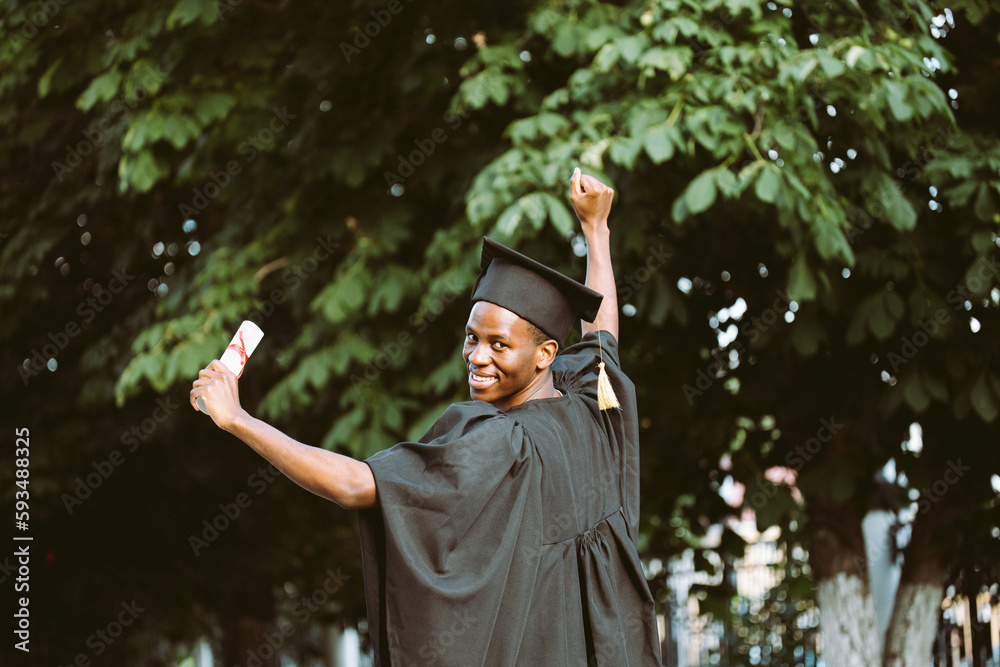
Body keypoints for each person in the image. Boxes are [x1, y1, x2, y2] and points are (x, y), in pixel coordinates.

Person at [190, 168, 663, 666]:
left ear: (546, 353)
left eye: (500, 344)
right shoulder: (591, 408)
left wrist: (238, 419)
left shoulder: (499, 443)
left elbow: (355, 485)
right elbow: (601, 335)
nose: (478, 357)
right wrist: (597, 230)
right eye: (472, 337)